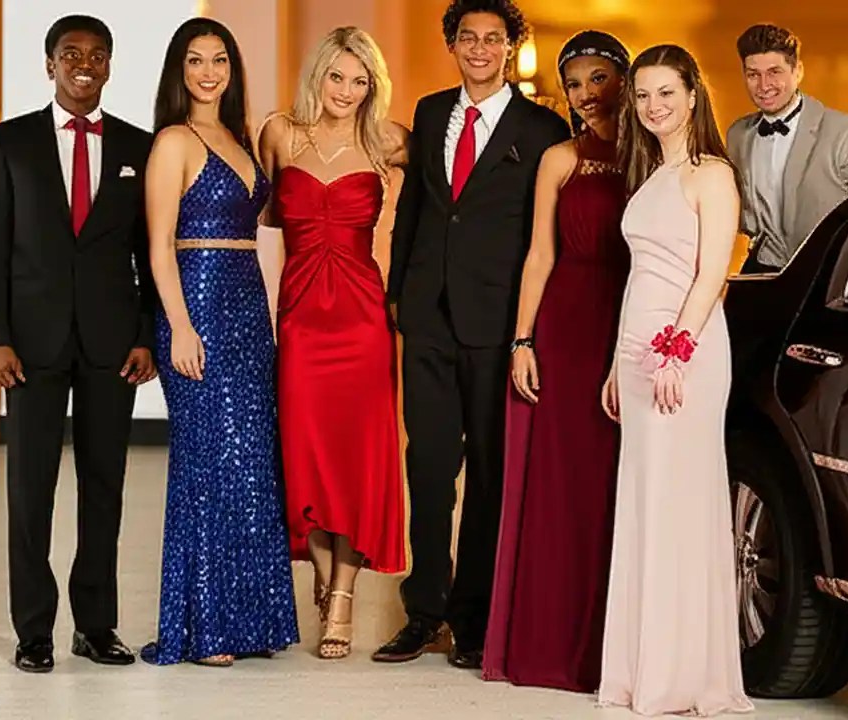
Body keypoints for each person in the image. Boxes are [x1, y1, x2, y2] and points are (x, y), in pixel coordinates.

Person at [375, 0, 570, 670]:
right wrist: (397, 292)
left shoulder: (543, 128)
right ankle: (423, 612)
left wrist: (531, 331)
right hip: (427, 316)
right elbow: (418, 210)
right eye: (468, 38)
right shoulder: (431, 113)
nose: (480, 49)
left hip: (496, 324)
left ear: (512, 46)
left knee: (490, 474)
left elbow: (547, 236)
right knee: (427, 468)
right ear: (452, 44)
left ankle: (476, 616)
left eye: (493, 38)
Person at [0, 14, 156, 674]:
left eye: (98, 54)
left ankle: (96, 625)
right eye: (72, 53)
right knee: (31, 491)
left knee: (104, 487)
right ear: (49, 64)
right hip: (30, 347)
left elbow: (149, 253)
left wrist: (144, 335)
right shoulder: (11, 143)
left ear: (110, 67)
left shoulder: (139, 145)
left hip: (111, 346)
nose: (86, 63)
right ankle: (33, 632)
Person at [596, 44, 754, 716]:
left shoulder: (711, 173)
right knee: (645, 508)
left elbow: (712, 273)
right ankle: (645, 668)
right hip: (637, 358)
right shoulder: (649, 177)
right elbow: (639, 277)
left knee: (679, 506)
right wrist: (616, 362)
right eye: (644, 94)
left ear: (693, 95)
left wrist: (674, 352)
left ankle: (684, 675)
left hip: (682, 357)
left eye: (667, 92)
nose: (655, 106)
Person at [141, 17, 299, 667]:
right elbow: (157, 246)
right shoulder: (174, 141)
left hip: (246, 306)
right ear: (180, 71)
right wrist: (178, 325)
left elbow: (266, 217)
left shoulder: (239, 138)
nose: (208, 72)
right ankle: (207, 626)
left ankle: (251, 620)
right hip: (197, 306)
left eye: (220, 61)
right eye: (196, 61)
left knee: (252, 462)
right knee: (209, 463)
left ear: (233, 71)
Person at [481, 30, 631, 693]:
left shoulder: (650, 159)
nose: (586, 94)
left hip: (628, 324)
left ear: (624, 81)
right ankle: (547, 642)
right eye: (574, 84)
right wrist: (522, 341)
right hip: (566, 327)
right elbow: (539, 255)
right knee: (560, 483)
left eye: (599, 79)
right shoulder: (558, 159)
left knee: (614, 486)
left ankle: (613, 645)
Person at [256, 26, 408, 660]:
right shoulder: (279, 135)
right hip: (299, 319)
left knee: (356, 456)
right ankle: (322, 575)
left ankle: (341, 596)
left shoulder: (390, 143)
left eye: (360, 79)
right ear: (316, 76)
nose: (347, 90)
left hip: (362, 319)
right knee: (307, 453)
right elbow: (263, 212)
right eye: (336, 76)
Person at [727, 24, 848, 274]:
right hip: (762, 270)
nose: (764, 85)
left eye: (774, 72)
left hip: (828, 271)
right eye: (753, 74)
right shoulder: (738, 135)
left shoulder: (846, 131)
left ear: (798, 71)